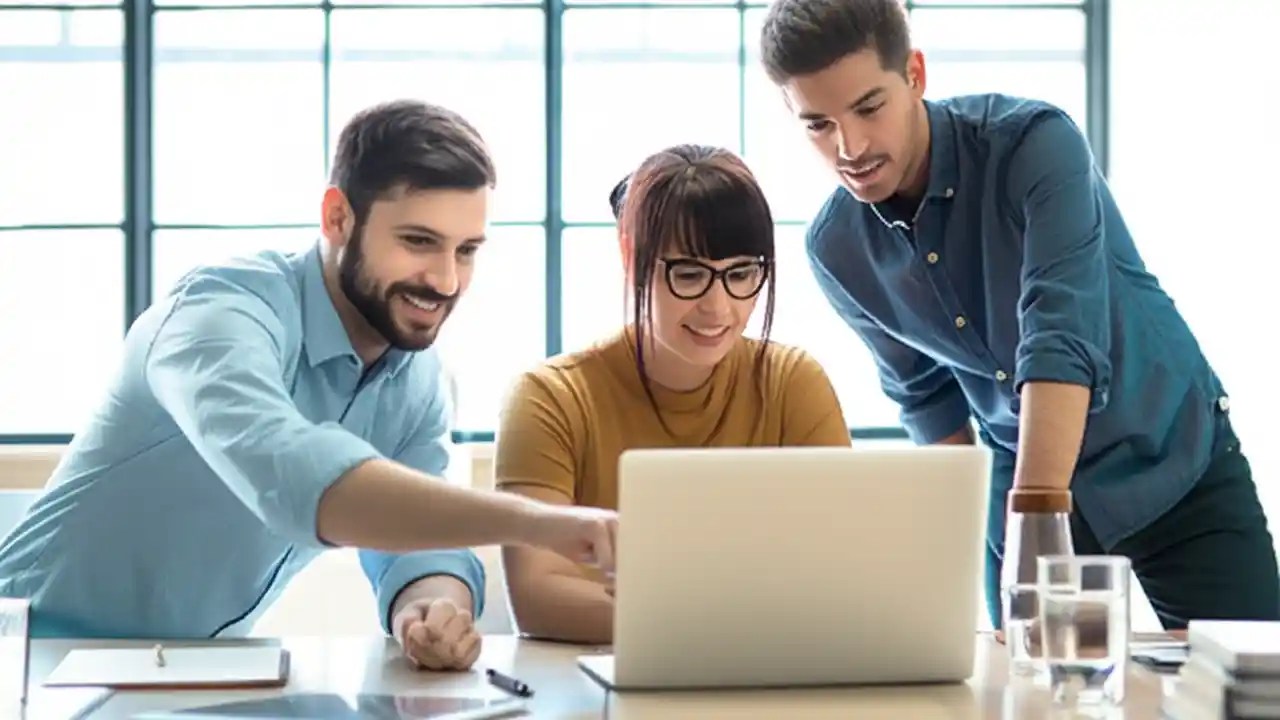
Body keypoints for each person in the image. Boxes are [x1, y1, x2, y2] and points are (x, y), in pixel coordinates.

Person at [0, 100, 617, 671]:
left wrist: (429, 607)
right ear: (337, 217)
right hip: (33, 662)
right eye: (418, 242)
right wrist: (539, 523)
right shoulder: (219, 315)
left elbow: (420, 543)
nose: (446, 281)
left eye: (467, 250)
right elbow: (296, 474)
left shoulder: (416, 377)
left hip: (182, 672)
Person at [757, 0, 1280, 633]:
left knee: (1252, 687)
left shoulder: (1034, 144)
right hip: (1016, 477)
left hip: (1166, 452)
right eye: (818, 125)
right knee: (1031, 693)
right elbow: (926, 397)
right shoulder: (836, 247)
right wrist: (965, 544)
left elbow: (1059, 333)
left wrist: (1036, 523)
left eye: (869, 107)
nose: (851, 147)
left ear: (915, 74)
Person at [494, 144, 852, 644]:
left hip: (764, 674)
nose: (718, 307)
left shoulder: (793, 383)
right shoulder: (551, 397)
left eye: (742, 274)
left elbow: (841, 566)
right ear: (629, 255)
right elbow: (537, 596)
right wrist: (722, 627)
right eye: (688, 275)